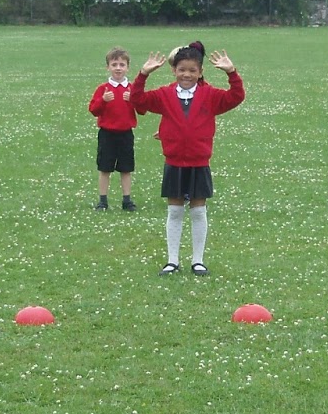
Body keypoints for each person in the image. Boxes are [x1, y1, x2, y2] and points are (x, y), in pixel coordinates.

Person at [132, 40, 244, 275]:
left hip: (199, 163)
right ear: (174, 70)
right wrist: (143, 74)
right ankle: (172, 260)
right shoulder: (164, 95)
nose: (187, 75)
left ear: (200, 72)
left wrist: (231, 72)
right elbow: (138, 100)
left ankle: (198, 260)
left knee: (198, 211)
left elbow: (236, 97)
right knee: (174, 212)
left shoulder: (210, 95)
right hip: (174, 162)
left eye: (193, 70)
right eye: (182, 70)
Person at [88, 46, 138, 211]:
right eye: (114, 64)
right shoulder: (103, 89)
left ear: (127, 67)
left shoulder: (131, 89)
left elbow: (143, 109)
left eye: (122, 64)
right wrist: (103, 100)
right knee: (105, 168)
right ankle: (103, 200)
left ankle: (127, 200)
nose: (118, 68)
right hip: (107, 134)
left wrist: (132, 100)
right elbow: (93, 110)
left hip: (125, 134)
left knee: (126, 169)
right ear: (108, 67)